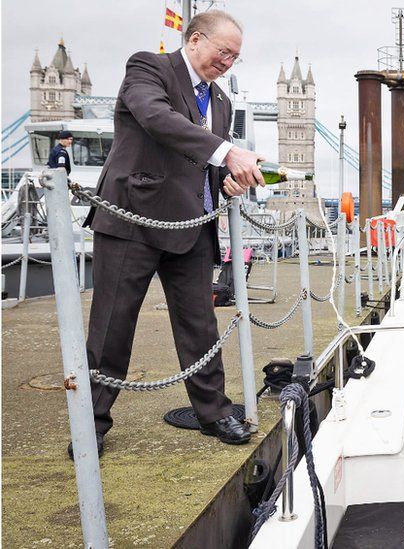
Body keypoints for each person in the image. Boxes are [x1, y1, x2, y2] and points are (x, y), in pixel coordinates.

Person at [73, 10, 265, 459]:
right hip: (132, 220)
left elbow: (204, 167)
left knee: (200, 325)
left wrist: (228, 182)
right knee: (112, 327)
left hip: (192, 227)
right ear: (196, 40)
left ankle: (213, 412)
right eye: (224, 53)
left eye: (235, 58)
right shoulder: (147, 68)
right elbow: (156, 118)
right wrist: (228, 151)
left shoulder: (223, 102)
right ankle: (91, 423)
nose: (228, 63)